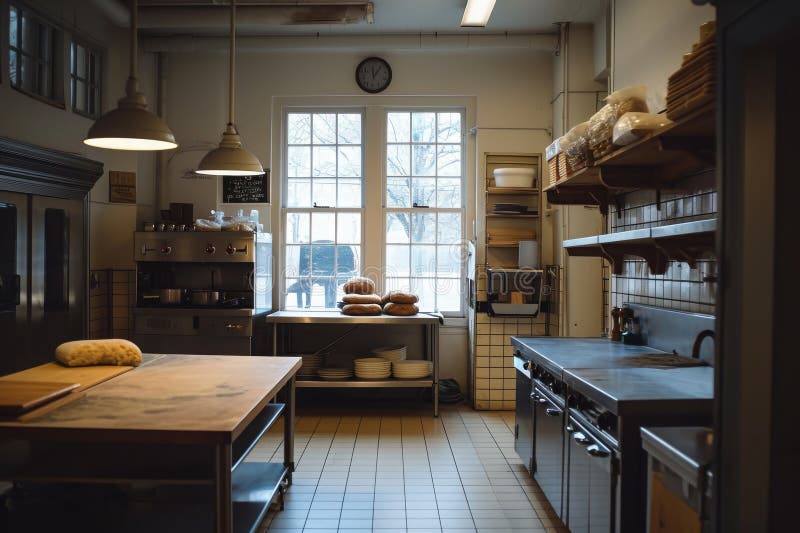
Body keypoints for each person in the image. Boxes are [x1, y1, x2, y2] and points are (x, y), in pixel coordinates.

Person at [286, 240, 356, 308]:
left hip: (319, 269)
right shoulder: (342, 250)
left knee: (330, 283)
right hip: (316, 269)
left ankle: (327, 306)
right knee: (330, 284)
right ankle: (329, 306)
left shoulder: (308, 249)